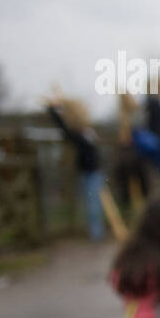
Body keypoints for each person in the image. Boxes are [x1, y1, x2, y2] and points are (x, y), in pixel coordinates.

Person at [45, 97, 105, 242]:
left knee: (94, 204)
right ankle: (95, 234)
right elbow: (63, 127)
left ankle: (97, 234)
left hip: (95, 173)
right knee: (91, 204)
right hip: (87, 173)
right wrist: (53, 110)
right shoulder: (77, 135)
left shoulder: (89, 133)